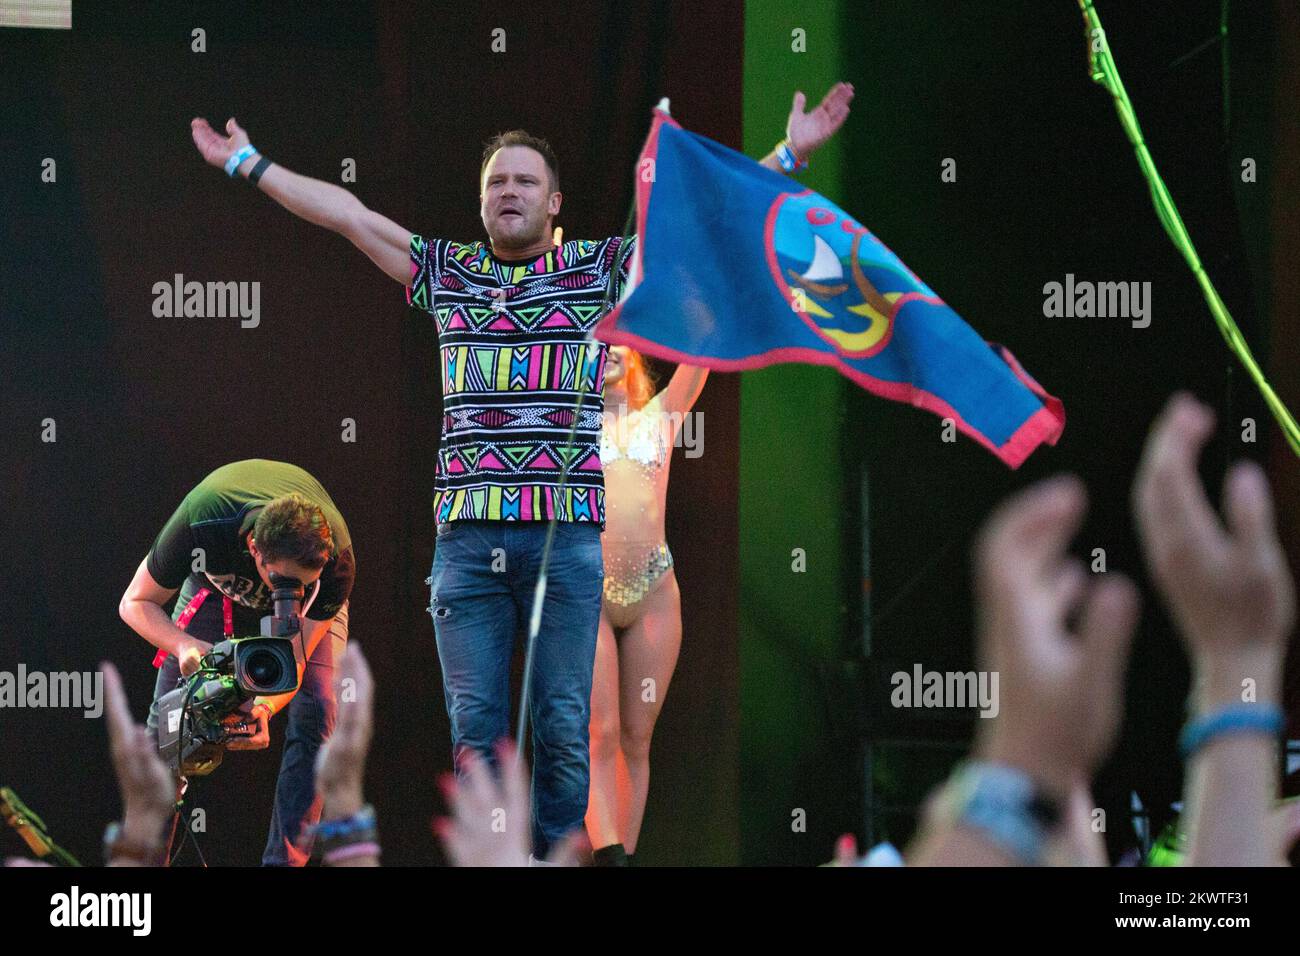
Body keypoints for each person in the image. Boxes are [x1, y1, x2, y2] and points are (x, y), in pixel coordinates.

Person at [188, 82, 853, 858]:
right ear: (481, 204)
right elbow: (349, 215)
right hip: (467, 545)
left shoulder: (596, 269)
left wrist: (789, 154)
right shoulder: (450, 272)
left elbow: (702, 222)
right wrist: (247, 161)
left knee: (564, 730)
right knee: (476, 737)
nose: (509, 191)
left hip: (563, 540)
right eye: (496, 182)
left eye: (525, 181)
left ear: (554, 202)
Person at [119, 459, 354, 865]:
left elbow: (294, 662)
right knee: (168, 729)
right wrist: (184, 646)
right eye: (282, 581)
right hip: (215, 591)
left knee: (320, 709)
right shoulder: (205, 519)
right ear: (254, 548)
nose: (288, 593)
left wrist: (264, 708)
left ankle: (285, 862)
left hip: (302, 623)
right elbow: (134, 602)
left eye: (302, 584)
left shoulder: (337, 565)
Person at [583, 347, 705, 865]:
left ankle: (625, 855)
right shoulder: (569, 425)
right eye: (598, 339)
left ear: (635, 356)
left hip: (654, 591)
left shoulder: (663, 414)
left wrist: (715, 296)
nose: (609, 347)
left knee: (636, 738)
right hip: (590, 593)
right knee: (600, 732)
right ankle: (607, 855)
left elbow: (701, 354)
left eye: (620, 338)